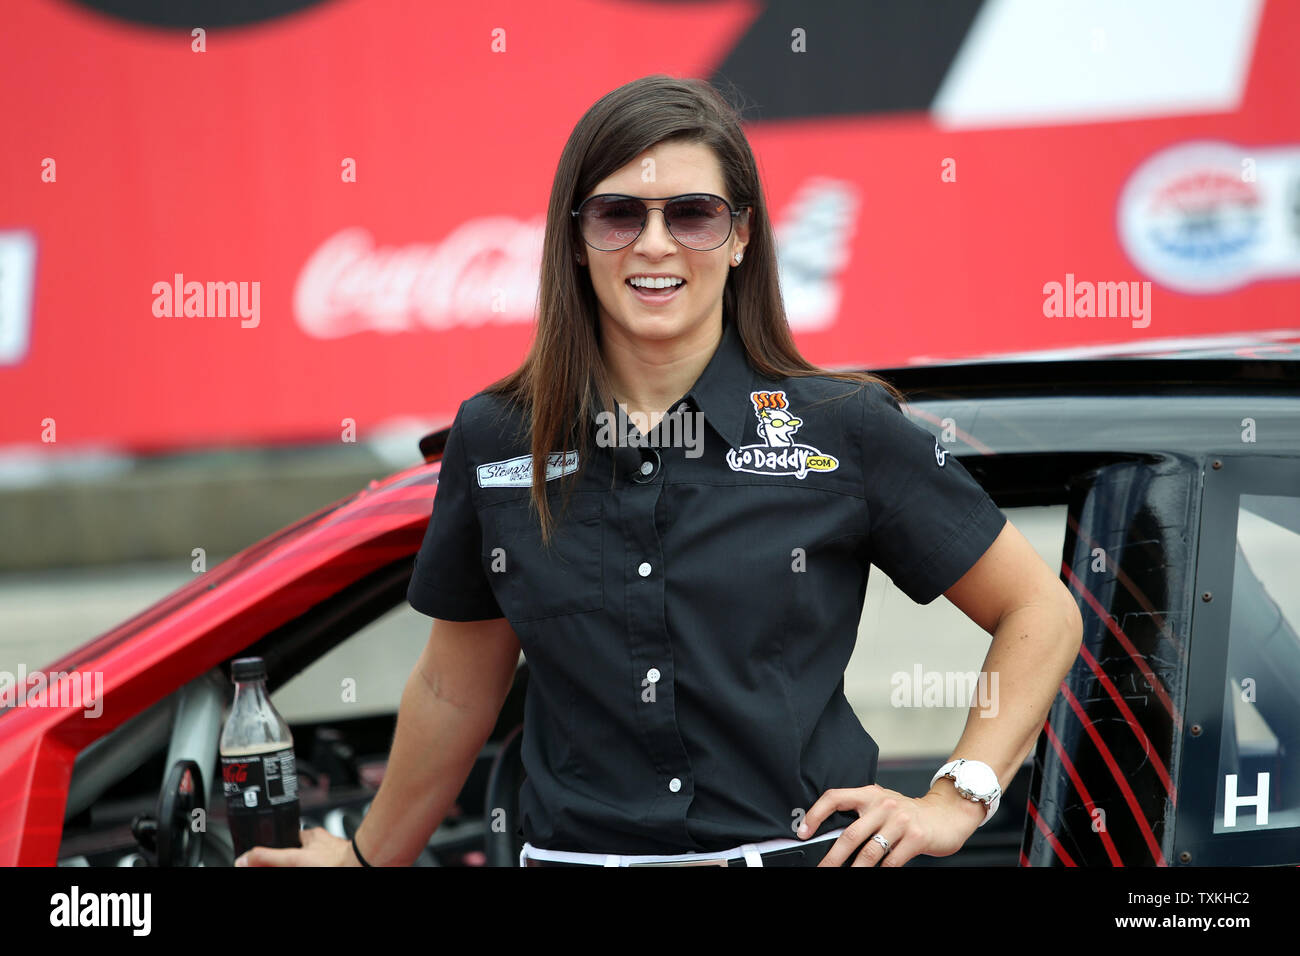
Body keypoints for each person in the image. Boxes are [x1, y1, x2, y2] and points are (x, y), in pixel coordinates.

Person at [236, 74, 1083, 868]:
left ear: (742, 234)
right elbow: (456, 692)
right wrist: (361, 856)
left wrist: (956, 795)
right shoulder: (496, 440)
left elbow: (1036, 608)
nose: (654, 244)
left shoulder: (842, 428)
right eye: (617, 215)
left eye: (692, 214)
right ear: (574, 237)